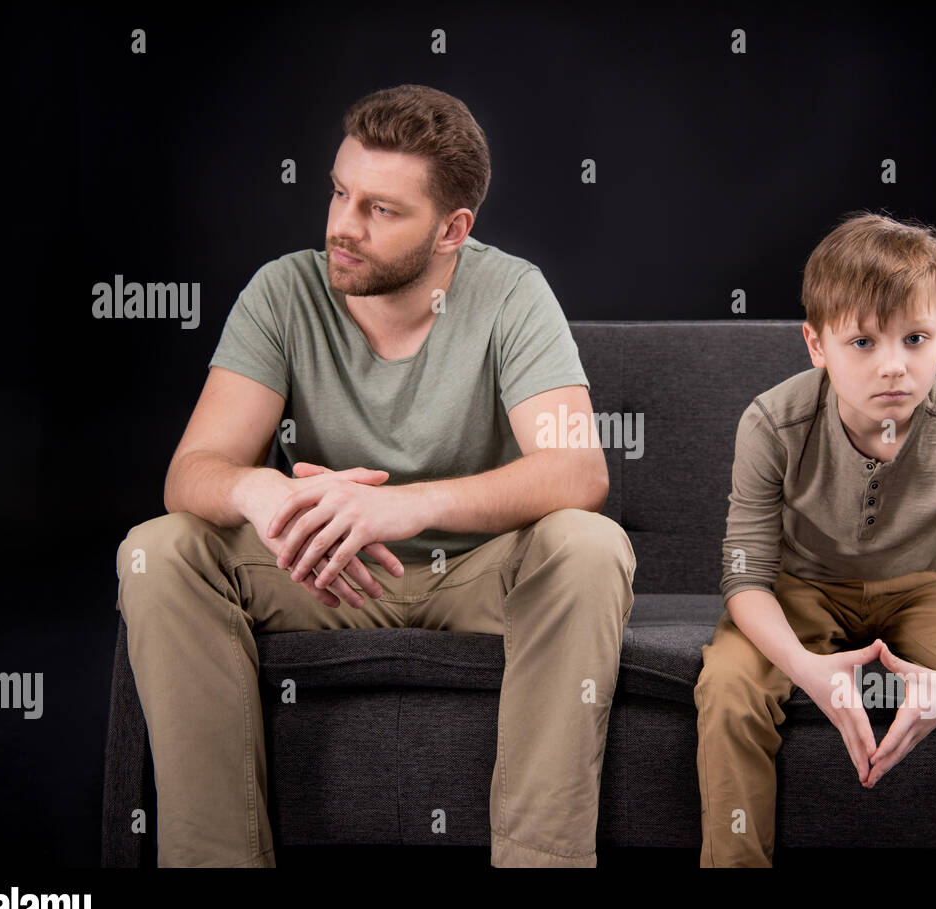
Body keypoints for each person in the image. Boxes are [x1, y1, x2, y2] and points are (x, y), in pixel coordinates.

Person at [116, 84, 635, 868]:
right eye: (339, 191)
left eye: (381, 210)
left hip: (474, 574)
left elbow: (579, 469)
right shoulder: (282, 292)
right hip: (324, 571)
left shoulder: (514, 293)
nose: (342, 226)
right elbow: (192, 471)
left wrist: (402, 507)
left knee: (588, 544)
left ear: (453, 229)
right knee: (159, 548)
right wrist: (262, 490)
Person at [694, 211, 936, 867]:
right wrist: (806, 668)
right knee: (727, 682)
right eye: (864, 343)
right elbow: (747, 578)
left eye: (915, 338)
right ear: (817, 346)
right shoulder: (771, 422)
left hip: (929, 587)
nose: (894, 365)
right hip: (802, 586)